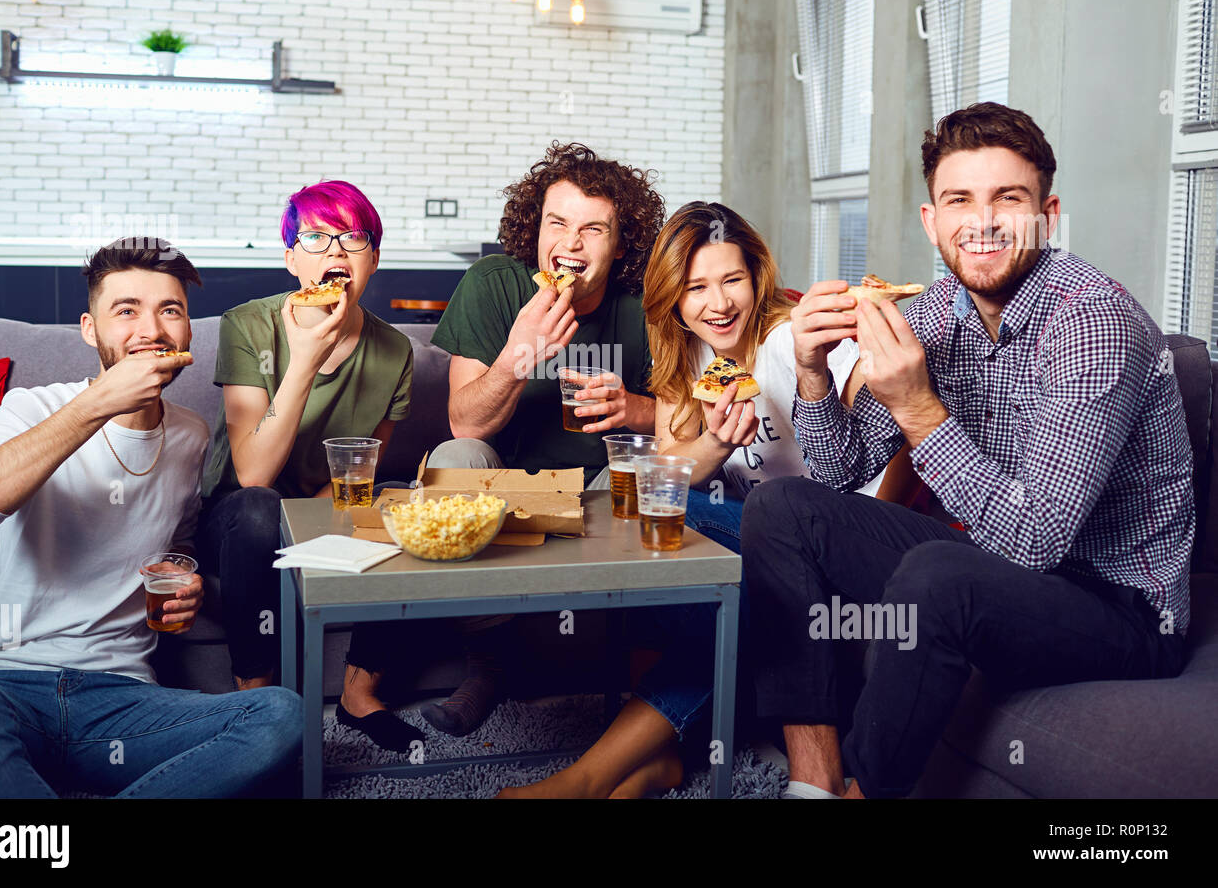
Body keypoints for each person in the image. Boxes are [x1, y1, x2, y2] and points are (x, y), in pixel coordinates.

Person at [744, 102, 1191, 799]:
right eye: (959, 200)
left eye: (1007, 198)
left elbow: (1036, 541)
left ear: (1047, 212)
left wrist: (919, 407)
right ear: (932, 220)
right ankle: (815, 782)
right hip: (998, 568)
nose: (981, 221)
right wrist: (810, 373)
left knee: (936, 574)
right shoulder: (932, 310)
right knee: (782, 509)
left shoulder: (1095, 324)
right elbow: (839, 474)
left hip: (1122, 609)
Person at [496, 202, 910, 798]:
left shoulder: (797, 340)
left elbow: (895, 445)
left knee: (670, 517)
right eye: (695, 288)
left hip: (836, 537)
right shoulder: (686, 356)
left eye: (732, 281)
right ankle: (663, 757)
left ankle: (584, 780)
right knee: (647, 513)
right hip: (764, 552)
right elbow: (668, 471)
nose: (718, 304)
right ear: (674, 299)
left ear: (757, 277)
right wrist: (715, 440)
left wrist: (868, 529)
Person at [0, 238, 302, 798]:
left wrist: (188, 580)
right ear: (89, 329)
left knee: (280, 714)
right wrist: (99, 402)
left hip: (122, 701)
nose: (151, 329)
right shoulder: (33, 408)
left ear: (189, 331)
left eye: (169, 310)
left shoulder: (191, 434)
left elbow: (177, 542)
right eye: (126, 311)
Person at [419, 141, 665, 738]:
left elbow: (684, 421)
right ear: (535, 229)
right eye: (557, 223)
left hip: (600, 503)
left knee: (650, 464)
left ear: (621, 242)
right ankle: (490, 663)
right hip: (509, 500)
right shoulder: (493, 285)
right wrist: (517, 355)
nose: (571, 244)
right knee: (452, 462)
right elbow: (465, 426)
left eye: (593, 229)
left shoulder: (646, 306)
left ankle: (634, 677)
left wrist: (634, 407)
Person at [196, 181, 422, 753]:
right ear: (291, 258)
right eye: (316, 238)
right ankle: (258, 698)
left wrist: (325, 521)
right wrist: (303, 362)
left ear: (374, 256)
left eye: (353, 238)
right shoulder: (247, 324)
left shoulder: (394, 350)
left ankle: (359, 692)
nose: (336, 252)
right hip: (237, 518)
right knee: (257, 508)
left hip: (323, 506)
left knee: (406, 502)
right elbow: (252, 474)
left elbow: (361, 466)